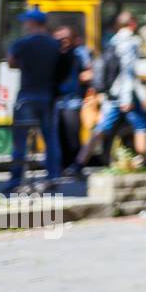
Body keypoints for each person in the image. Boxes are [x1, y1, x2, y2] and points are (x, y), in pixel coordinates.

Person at [76, 11, 146, 167]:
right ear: (132, 24)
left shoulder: (113, 40)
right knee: (142, 125)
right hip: (125, 94)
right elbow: (127, 72)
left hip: (111, 93)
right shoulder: (131, 42)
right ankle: (142, 162)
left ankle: (79, 162)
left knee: (102, 128)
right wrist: (127, 98)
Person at [3, 9, 66, 193]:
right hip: (47, 96)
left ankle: (15, 179)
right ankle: (53, 176)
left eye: (26, 22)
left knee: (20, 141)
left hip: (27, 96)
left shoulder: (22, 43)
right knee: (50, 138)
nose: (24, 25)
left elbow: (11, 62)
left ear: (32, 23)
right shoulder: (54, 44)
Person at [53, 25, 94, 182]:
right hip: (58, 101)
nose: (62, 42)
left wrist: (76, 79)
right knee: (60, 135)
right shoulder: (55, 52)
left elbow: (89, 72)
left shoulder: (80, 53)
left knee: (72, 135)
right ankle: (63, 167)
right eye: (59, 39)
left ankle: (75, 167)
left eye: (65, 39)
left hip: (72, 100)